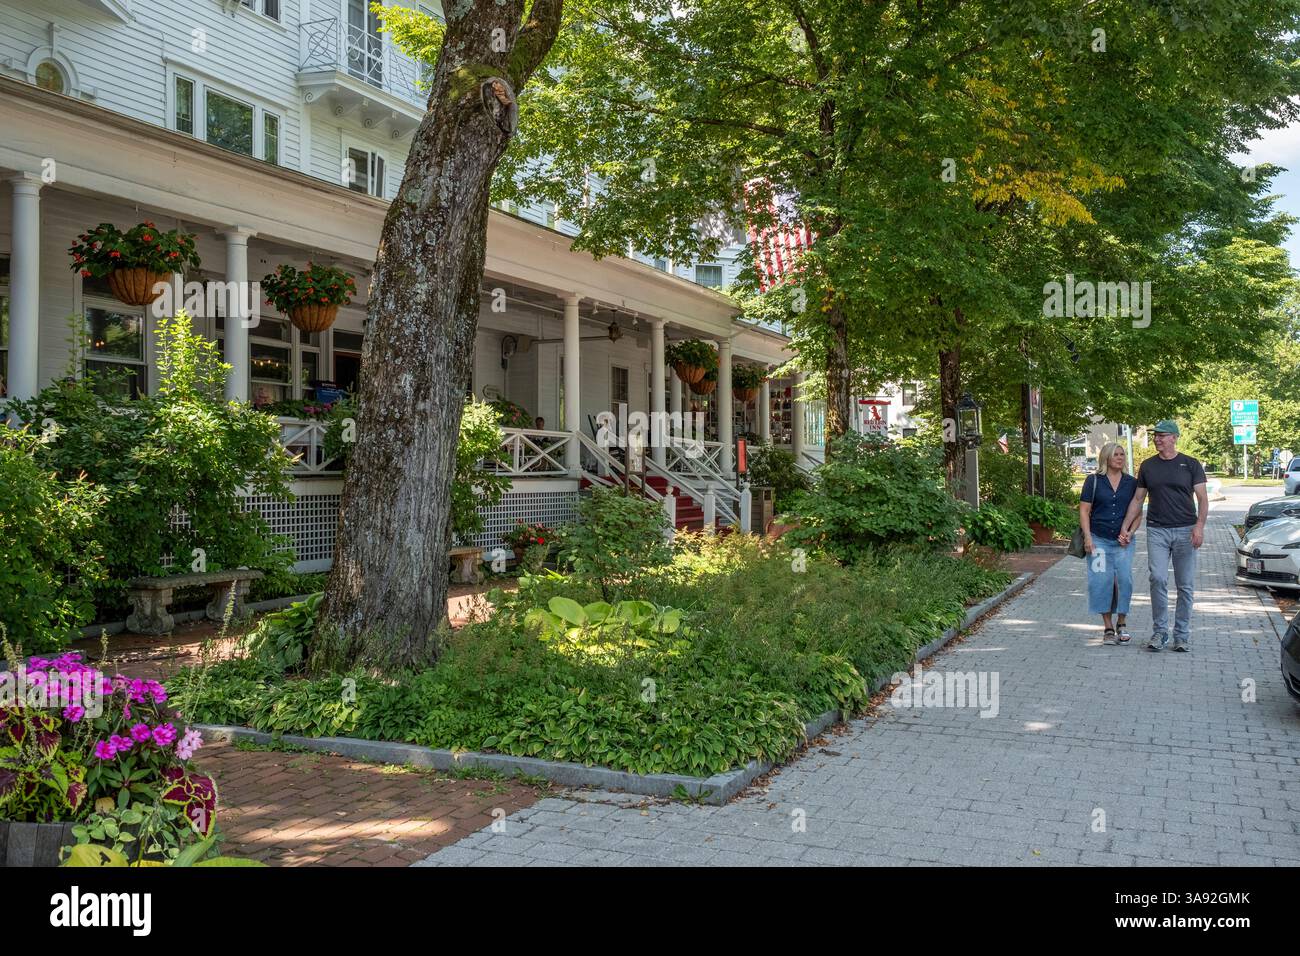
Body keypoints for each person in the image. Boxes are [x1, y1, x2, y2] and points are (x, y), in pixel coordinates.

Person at [1118, 420, 1208, 652]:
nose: (1157, 439)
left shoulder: (1190, 464)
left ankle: (1181, 635)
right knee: (1157, 578)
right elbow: (1138, 499)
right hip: (1157, 530)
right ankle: (1160, 632)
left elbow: (1203, 499)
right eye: (1155, 435)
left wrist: (1199, 527)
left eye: (1162, 435)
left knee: (1185, 585)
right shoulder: (1148, 466)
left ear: (1174, 438)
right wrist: (1126, 527)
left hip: (1185, 530)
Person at [1080, 441, 1138, 645]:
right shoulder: (1093, 481)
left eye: (1122, 454)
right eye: (1116, 455)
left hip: (1123, 543)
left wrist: (1130, 532)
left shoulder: (1132, 482)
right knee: (1100, 582)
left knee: (1124, 581)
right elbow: (1084, 511)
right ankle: (1108, 627)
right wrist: (1087, 537)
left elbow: (1137, 513)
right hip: (1098, 541)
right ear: (1106, 457)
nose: (1120, 458)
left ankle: (1122, 622)